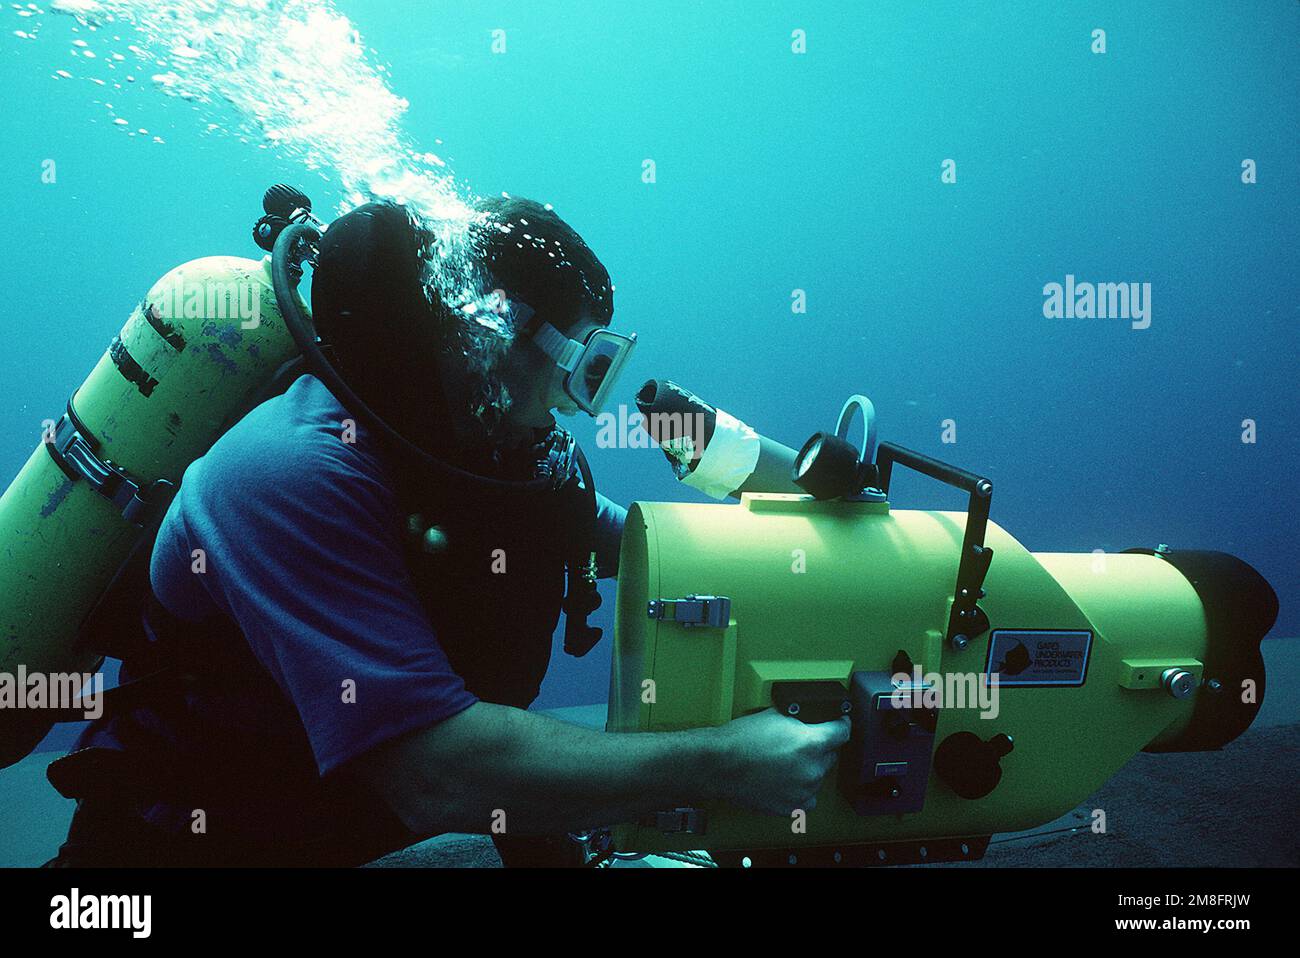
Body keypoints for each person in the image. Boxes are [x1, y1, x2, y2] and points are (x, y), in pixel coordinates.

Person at [45, 196, 849, 867]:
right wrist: (726, 762)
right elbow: (436, 773)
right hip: (185, 846)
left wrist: (763, 471)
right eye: (585, 365)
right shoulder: (287, 473)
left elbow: (644, 549)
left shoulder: (502, 458)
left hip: (363, 826)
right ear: (495, 334)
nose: (578, 403)